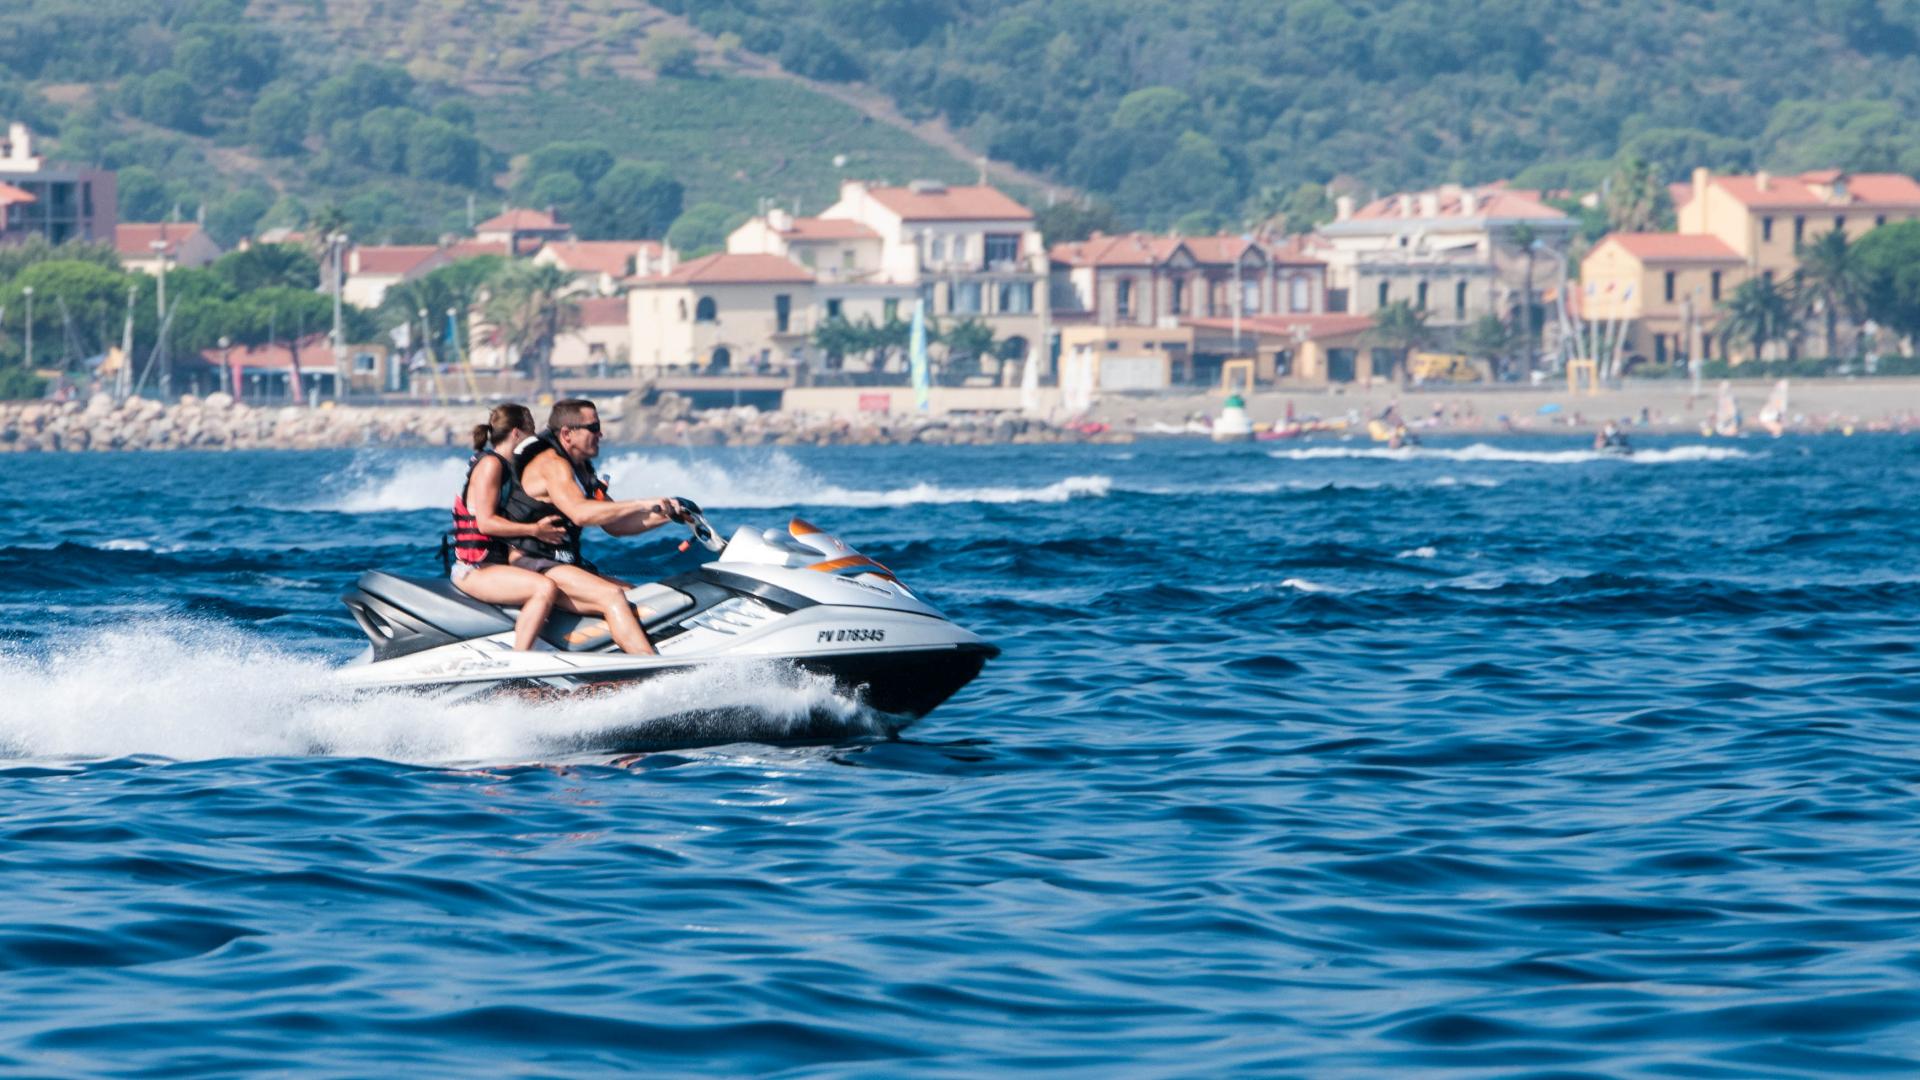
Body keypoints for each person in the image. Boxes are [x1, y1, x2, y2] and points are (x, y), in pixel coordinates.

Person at [502, 398, 685, 656]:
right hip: (535, 565)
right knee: (612, 596)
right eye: (593, 427)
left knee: (639, 597)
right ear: (567, 433)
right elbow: (579, 513)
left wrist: (670, 515)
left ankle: (629, 663)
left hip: (561, 564)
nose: (601, 433)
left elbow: (616, 525)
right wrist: (641, 502)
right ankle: (653, 669)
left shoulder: (583, 470)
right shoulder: (552, 464)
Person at [449, 404, 569, 651]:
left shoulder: (509, 467)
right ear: (516, 433)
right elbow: (486, 522)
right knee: (544, 588)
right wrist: (535, 530)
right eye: (531, 431)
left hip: (494, 565)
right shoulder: (491, 465)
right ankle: (520, 662)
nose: (535, 438)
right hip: (475, 569)